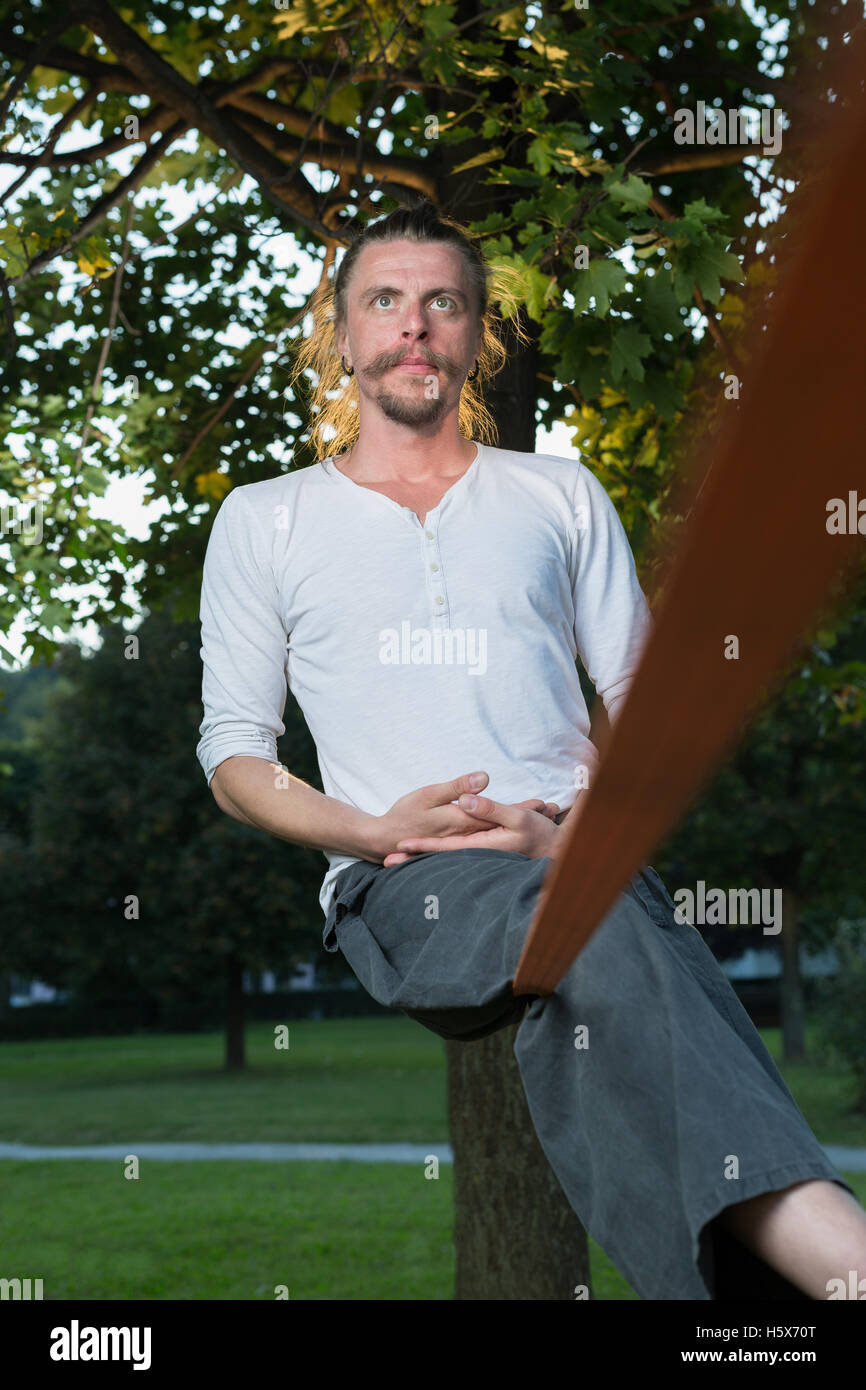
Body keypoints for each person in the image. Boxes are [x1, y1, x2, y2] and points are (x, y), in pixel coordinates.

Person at [196, 199, 866, 1301]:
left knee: (666, 1024)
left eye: (441, 304)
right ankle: (841, 1252)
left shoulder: (558, 494)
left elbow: (644, 698)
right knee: (605, 946)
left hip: (585, 857)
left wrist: (575, 830)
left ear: (474, 334)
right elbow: (234, 755)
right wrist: (372, 828)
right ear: (341, 332)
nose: (413, 327)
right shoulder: (265, 519)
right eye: (385, 302)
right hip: (408, 881)